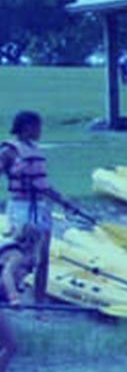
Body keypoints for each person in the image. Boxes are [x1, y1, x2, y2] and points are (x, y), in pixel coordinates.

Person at [2, 111, 73, 303]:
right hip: (21, 208)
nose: (40, 130)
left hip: (41, 207)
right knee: (22, 255)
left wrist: (63, 201)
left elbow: (44, 185)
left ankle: (39, 302)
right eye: (37, 126)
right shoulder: (9, 151)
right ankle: (11, 291)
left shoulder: (34, 148)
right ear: (26, 127)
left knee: (43, 258)